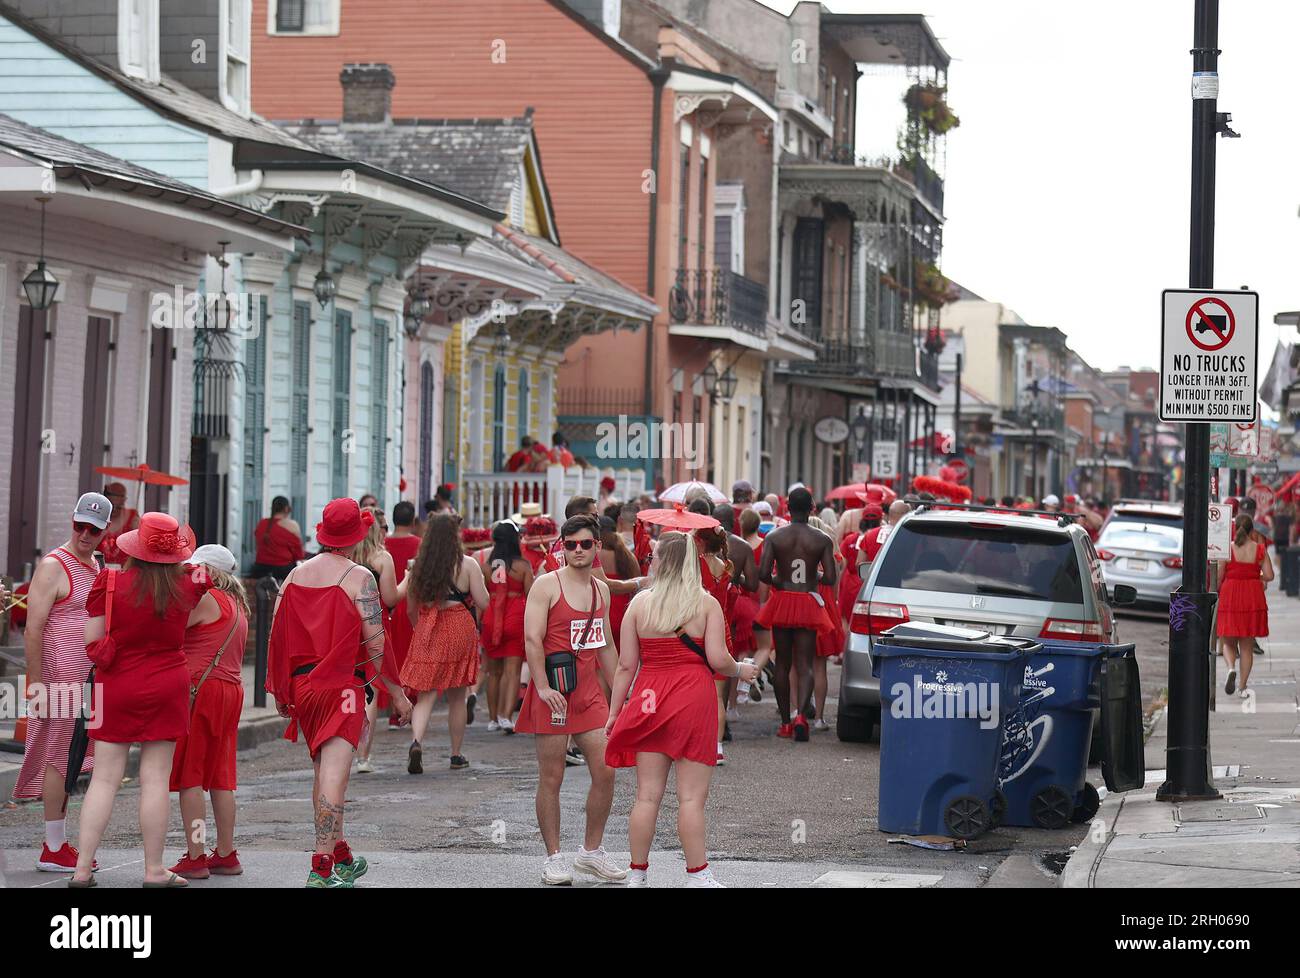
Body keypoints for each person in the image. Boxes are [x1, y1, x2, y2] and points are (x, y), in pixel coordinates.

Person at [266, 498, 413, 887]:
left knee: (322, 772)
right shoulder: (358, 577)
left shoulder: (294, 577)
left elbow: (275, 637)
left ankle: (341, 854)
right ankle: (320, 865)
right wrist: (396, 694)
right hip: (342, 685)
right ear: (357, 535)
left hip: (302, 684)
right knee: (335, 774)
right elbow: (378, 642)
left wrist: (281, 690)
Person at [605, 531, 758, 887]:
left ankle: (638, 873)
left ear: (662, 561)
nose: (650, 561)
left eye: (654, 555)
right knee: (690, 799)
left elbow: (626, 666)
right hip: (693, 697)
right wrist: (741, 670)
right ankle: (697, 876)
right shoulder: (705, 604)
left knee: (646, 796)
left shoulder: (640, 604)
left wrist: (615, 712)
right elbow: (718, 659)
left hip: (649, 697)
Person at [70, 513, 212, 888]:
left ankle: (83, 869)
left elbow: (91, 640)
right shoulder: (187, 584)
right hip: (168, 682)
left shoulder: (111, 582)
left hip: (116, 685)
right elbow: (199, 587)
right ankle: (153, 870)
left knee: (103, 779)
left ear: (136, 546)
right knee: (155, 780)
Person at [517, 513, 626, 885]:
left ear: (597, 546)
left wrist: (622, 696)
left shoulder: (602, 590)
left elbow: (607, 645)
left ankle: (591, 853)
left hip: (589, 693)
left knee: (606, 769)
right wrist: (543, 688)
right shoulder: (546, 585)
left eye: (584, 544)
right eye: (569, 544)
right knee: (552, 776)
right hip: (553, 694)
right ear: (561, 546)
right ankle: (553, 858)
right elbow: (532, 640)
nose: (576, 550)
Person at [16, 493, 111, 872]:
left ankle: (59, 843)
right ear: (71, 521)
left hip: (86, 677)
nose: (85, 534)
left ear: (104, 532)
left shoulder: (94, 563)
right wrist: (35, 684)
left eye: (94, 529)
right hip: (60, 677)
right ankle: (53, 846)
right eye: (80, 526)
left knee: (71, 758)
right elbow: (33, 628)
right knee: (58, 756)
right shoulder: (55, 565)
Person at [167, 545, 249, 880]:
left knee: (192, 777)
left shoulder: (206, 599)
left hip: (202, 690)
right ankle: (226, 853)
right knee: (221, 777)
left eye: (193, 570)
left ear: (208, 572)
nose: (188, 575)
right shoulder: (238, 605)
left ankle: (197, 853)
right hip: (230, 690)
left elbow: (171, 631)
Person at [402, 514, 489, 772]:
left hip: (429, 626)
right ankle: (456, 754)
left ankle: (416, 742)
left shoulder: (418, 566)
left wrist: (420, 628)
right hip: (459, 626)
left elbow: (409, 608)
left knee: (425, 696)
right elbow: (484, 602)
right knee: (457, 697)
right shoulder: (468, 565)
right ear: (455, 536)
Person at [756, 487, 837, 742]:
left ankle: (785, 722)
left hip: (783, 602)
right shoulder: (822, 539)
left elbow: (763, 574)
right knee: (805, 664)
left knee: (782, 664)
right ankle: (803, 715)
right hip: (807, 602)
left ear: (787, 508)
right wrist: (814, 576)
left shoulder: (775, 537)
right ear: (812, 508)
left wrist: (780, 581)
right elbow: (832, 577)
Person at [352, 508, 407, 773]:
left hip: (348, 625)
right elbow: (391, 598)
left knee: (349, 683)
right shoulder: (382, 558)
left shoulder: (347, 556)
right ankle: (364, 755)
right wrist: (408, 579)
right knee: (369, 691)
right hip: (374, 623)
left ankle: (345, 747)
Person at [482, 520, 533, 732]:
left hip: (491, 617)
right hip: (515, 618)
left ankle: (493, 719)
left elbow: (485, 593)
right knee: (512, 672)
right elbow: (531, 595)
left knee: (493, 673)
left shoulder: (487, 566)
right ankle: (506, 716)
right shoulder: (522, 566)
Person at [1217, 514, 1273, 698]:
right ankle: (1242, 687)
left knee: (1227, 640)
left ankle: (1231, 667)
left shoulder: (1227, 550)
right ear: (1251, 531)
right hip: (1252, 596)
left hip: (1230, 594)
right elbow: (1270, 575)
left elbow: (1219, 576)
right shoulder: (1260, 549)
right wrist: (1256, 576)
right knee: (1247, 646)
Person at [713, 503, 759, 712]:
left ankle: (712, 707)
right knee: (727, 655)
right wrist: (735, 576)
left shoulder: (704, 544)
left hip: (706, 603)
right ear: (733, 522)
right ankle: (726, 706)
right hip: (730, 606)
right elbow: (752, 584)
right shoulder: (742, 547)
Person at [382, 501, 422, 724]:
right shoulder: (420, 544)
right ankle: (409, 709)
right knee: (411, 659)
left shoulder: (382, 545)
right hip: (411, 607)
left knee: (391, 660)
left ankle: (392, 711)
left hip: (388, 606)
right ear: (413, 521)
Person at [250, 496, 305, 581]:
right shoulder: (291, 525)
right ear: (287, 509)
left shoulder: (262, 523)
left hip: (260, 568)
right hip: (283, 570)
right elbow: (298, 554)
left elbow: (257, 546)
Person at [98, 483, 139, 567]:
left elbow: (140, 547)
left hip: (125, 571)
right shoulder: (98, 516)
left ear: (124, 500)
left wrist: (138, 531)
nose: (114, 510)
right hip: (100, 570)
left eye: (119, 507)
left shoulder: (132, 516)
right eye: (111, 506)